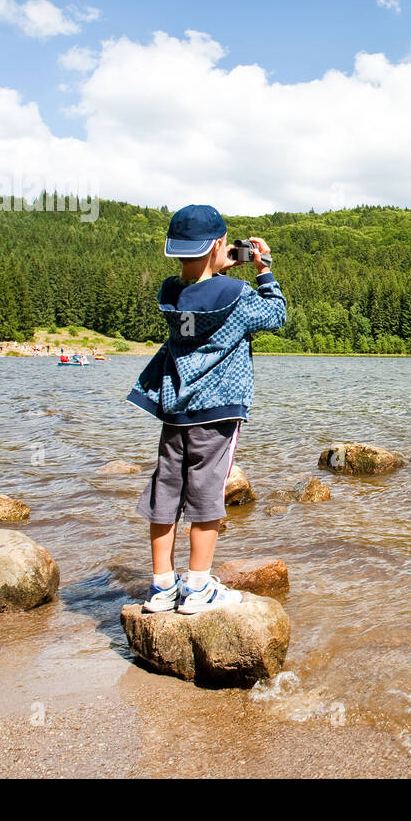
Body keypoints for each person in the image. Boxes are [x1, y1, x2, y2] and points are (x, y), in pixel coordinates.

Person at [127, 204, 286, 614]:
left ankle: (162, 587)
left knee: (167, 491)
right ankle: (197, 588)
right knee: (206, 495)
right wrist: (263, 268)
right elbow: (276, 315)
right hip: (216, 414)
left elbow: (202, 302)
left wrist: (215, 268)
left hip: (175, 411)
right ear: (218, 244)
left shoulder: (172, 295)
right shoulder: (239, 297)